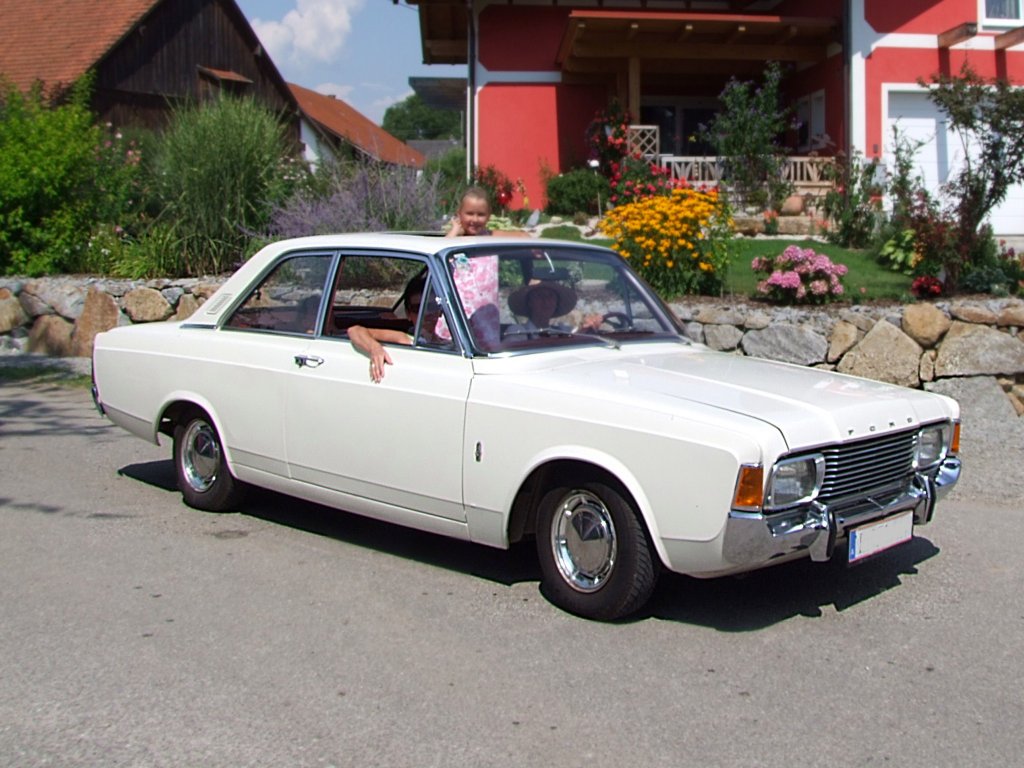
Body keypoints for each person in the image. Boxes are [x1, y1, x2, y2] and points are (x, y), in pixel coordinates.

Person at [347, 274, 439, 383]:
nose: (427, 313)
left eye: (431, 307)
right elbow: (355, 330)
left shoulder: (446, 339)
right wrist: (375, 349)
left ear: (439, 310)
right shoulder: (405, 338)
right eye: (418, 308)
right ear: (408, 314)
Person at [505, 280, 603, 339]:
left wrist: (588, 327)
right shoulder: (518, 332)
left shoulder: (563, 331)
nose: (546, 301)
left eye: (551, 296)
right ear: (530, 302)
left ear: (556, 303)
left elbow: (577, 339)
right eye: (539, 296)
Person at [445, 186, 531, 239]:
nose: (475, 219)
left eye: (481, 215)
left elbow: (524, 236)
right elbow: (442, 247)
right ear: (459, 213)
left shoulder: (490, 236)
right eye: (470, 213)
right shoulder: (455, 237)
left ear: (488, 216)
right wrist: (455, 231)